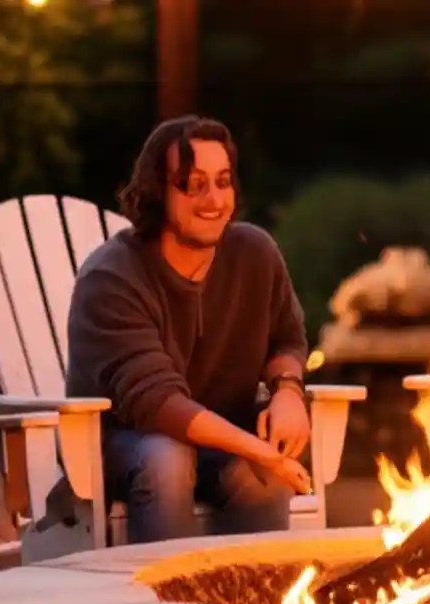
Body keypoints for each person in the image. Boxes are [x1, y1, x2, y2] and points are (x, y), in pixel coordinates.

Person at [67, 115, 313, 545]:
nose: (213, 199)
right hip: (126, 442)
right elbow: (158, 403)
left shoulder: (255, 254)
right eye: (193, 184)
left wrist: (289, 392)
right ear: (158, 191)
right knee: (169, 457)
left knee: (260, 475)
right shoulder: (111, 278)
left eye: (222, 181)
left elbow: (286, 337)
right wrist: (259, 450)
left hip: (223, 438)